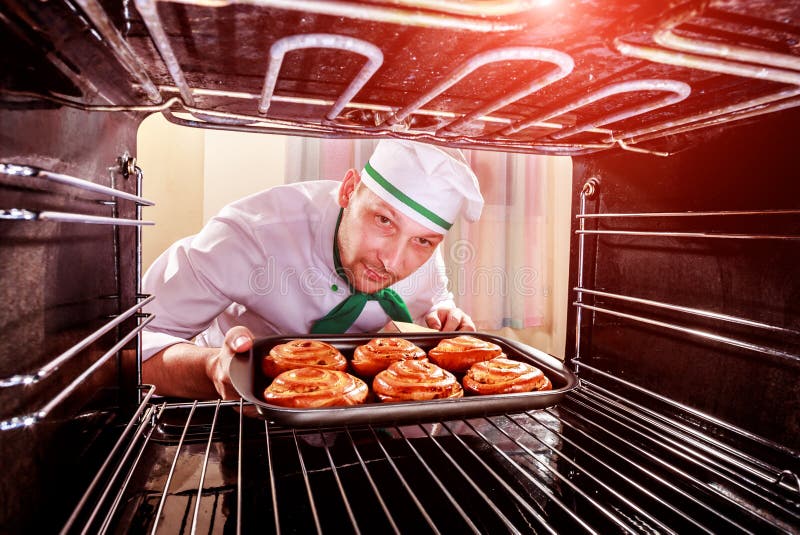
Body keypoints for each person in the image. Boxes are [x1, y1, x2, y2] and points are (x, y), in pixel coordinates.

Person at [141, 139, 484, 399]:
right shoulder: (249, 236)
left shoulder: (421, 253)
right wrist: (211, 368)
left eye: (422, 241)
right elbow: (133, 350)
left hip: (365, 426)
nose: (392, 261)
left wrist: (444, 316)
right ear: (349, 191)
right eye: (383, 220)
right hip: (239, 417)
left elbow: (434, 302)